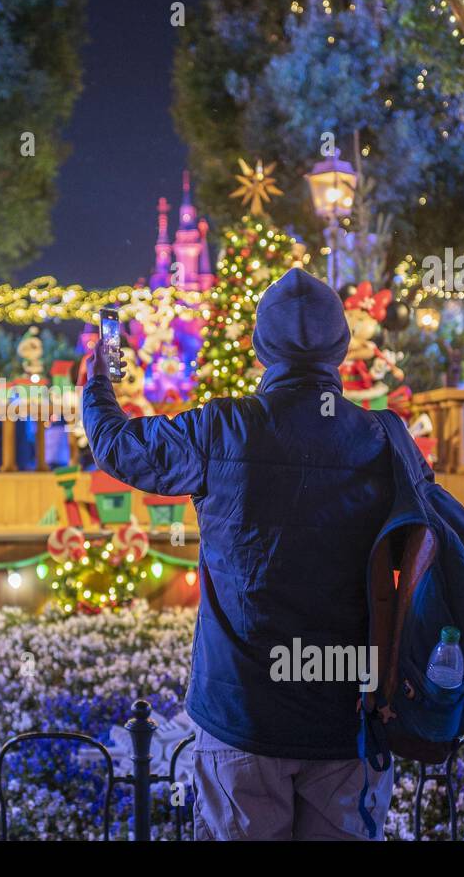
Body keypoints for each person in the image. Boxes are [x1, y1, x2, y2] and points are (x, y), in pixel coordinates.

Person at [82, 268, 398, 840]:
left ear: (258, 349)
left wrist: (99, 381)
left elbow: (115, 446)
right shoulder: (383, 440)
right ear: (342, 348)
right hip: (347, 718)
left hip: (242, 716)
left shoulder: (224, 430)